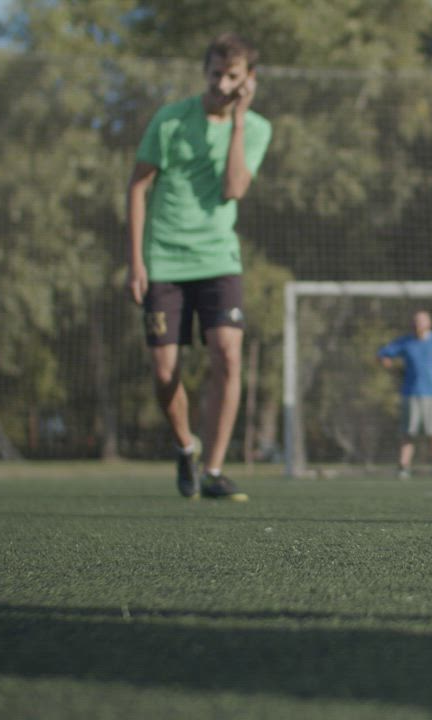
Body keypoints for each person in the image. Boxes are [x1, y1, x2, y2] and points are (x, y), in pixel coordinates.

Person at [126, 33, 273, 501]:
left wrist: (237, 122)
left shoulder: (256, 129)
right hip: (165, 260)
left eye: (233, 76)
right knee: (165, 370)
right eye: (215, 74)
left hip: (218, 260)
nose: (222, 83)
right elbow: (136, 187)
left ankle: (212, 469)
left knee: (228, 354)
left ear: (249, 80)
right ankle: (185, 446)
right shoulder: (170, 121)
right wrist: (136, 262)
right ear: (205, 72)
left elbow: (233, 188)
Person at [377, 311, 432, 479]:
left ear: (429, 324)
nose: (417, 324)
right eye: (415, 321)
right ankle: (403, 467)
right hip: (410, 394)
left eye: (421, 321)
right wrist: (395, 370)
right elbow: (383, 355)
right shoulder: (406, 342)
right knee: (408, 432)